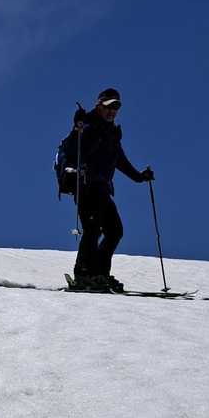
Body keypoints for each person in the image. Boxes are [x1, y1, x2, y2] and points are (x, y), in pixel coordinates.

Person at [64, 87, 153, 292]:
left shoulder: (111, 133)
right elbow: (74, 148)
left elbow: (120, 161)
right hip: (86, 187)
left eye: (116, 107)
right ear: (99, 105)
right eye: (108, 106)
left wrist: (139, 177)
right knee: (93, 229)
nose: (112, 111)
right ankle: (83, 274)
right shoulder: (87, 124)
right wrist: (77, 127)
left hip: (103, 189)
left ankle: (99, 274)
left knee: (114, 231)